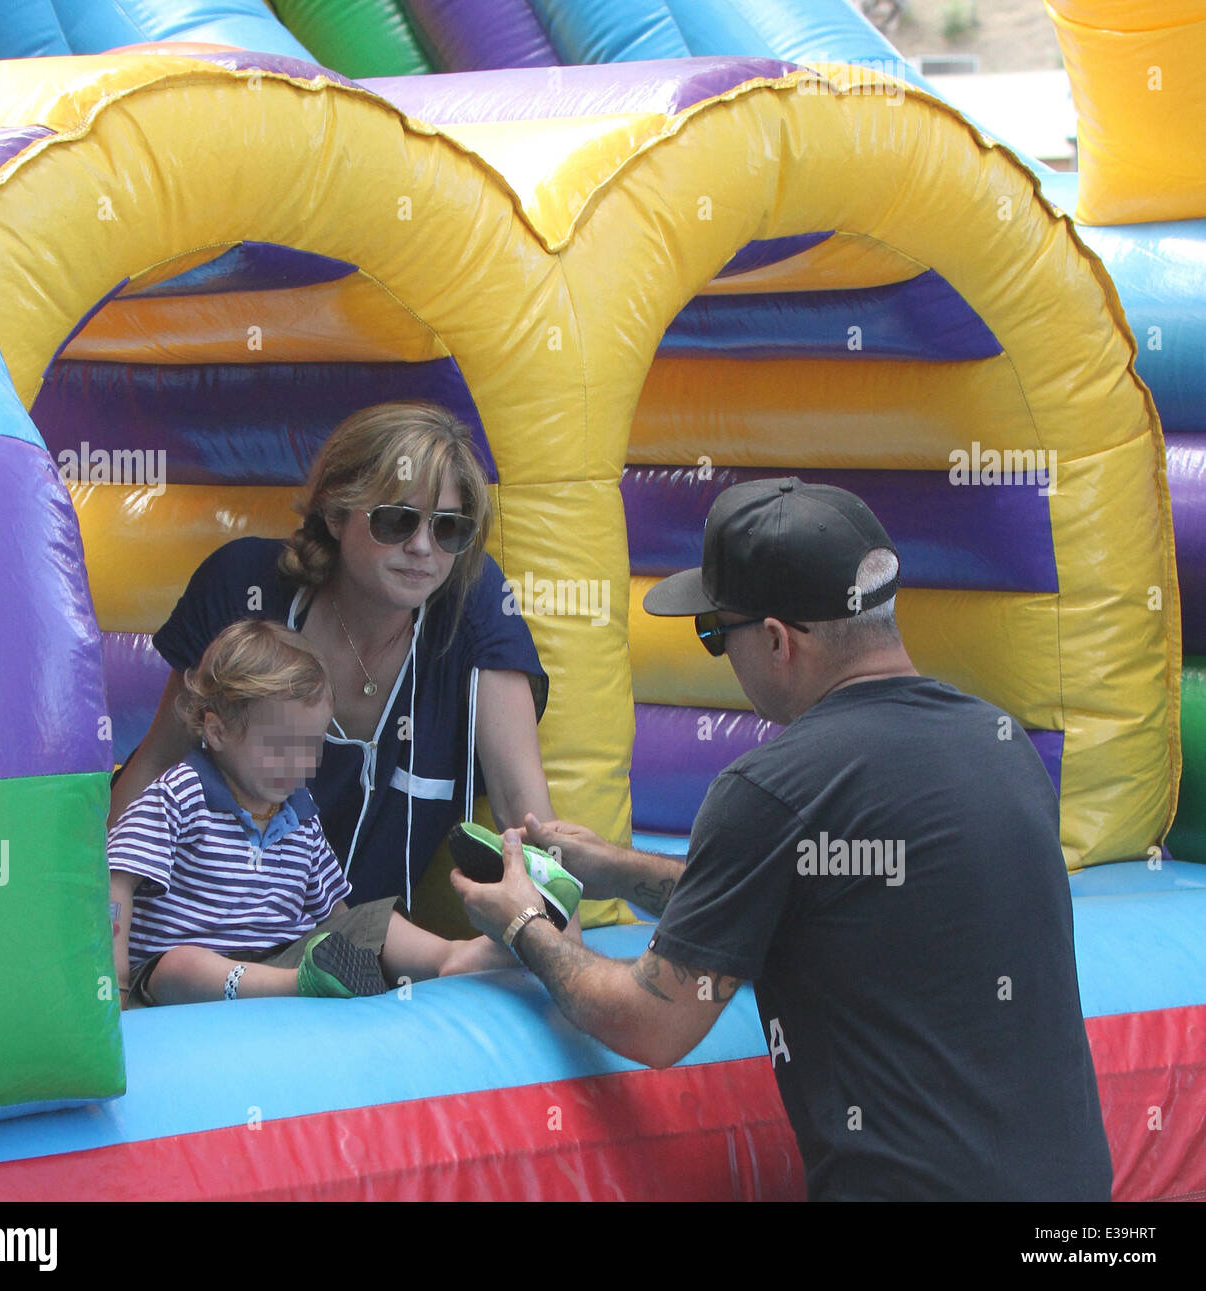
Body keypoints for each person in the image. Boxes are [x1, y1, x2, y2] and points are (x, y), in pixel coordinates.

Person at [452, 477, 1113, 1202]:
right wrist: (620, 869)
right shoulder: (999, 743)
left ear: (776, 639)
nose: (720, 655)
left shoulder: (773, 786)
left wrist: (523, 923)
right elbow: (836, 898)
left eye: (713, 633)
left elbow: (652, 1023)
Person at [109, 401, 556, 917]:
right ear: (336, 514)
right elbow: (157, 763)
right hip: (203, 925)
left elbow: (522, 812)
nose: (422, 547)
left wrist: (567, 966)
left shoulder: (471, 603)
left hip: (358, 940)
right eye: (396, 520)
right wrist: (91, 937)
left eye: (448, 528)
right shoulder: (244, 588)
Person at [109, 619, 522, 1007]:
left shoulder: (300, 817)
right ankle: (300, 986)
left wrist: (357, 940)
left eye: (311, 746)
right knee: (183, 964)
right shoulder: (180, 794)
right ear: (217, 732)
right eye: (280, 747)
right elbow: (116, 882)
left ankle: (451, 956)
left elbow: (335, 915)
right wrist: (116, 980)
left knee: (373, 918)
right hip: (185, 978)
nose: (299, 764)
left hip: (280, 961)